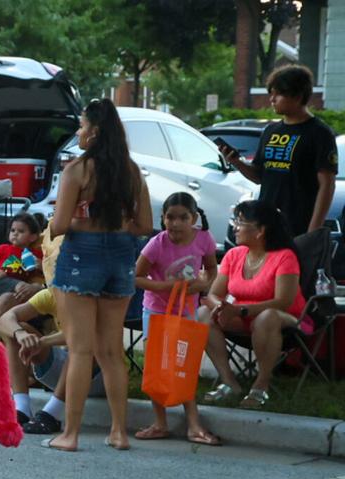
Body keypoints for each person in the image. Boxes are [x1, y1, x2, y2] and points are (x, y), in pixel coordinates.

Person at [45, 98, 151, 452]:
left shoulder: (77, 170)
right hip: (121, 255)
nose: (78, 131)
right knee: (110, 352)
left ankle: (70, 434)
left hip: (81, 256)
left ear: (94, 131)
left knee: (79, 350)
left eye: (81, 125)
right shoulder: (131, 171)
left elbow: (59, 226)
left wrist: (80, 218)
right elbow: (145, 225)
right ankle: (119, 432)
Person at [198, 199, 307, 409]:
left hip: (285, 319)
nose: (234, 227)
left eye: (240, 222)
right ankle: (229, 382)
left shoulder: (285, 257)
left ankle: (261, 385)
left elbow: (283, 301)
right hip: (243, 318)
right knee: (203, 313)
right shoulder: (234, 255)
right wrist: (220, 307)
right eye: (234, 221)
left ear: (260, 230)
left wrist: (240, 309)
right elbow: (214, 294)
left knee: (267, 317)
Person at [133, 192, 220, 444]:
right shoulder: (157, 244)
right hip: (157, 311)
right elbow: (136, 277)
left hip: (186, 311)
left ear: (193, 218)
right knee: (157, 367)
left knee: (185, 365)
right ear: (163, 218)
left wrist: (202, 283)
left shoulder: (204, 239)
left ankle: (193, 424)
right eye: (170, 217)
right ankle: (160, 422)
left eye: (183, 217)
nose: (176, 223)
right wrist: (165, 287)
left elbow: (212, 268)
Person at [216, 65, 337, 237]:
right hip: (266, 225)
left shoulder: (319, 133)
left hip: (299, 226)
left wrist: (313, 230)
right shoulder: (270, 131)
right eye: (270, 93)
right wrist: (236, 162)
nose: (272, 99)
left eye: (278, 94)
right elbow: (259, 176)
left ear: (297, 95)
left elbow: (327, 184)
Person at [0, 286, 105, 435]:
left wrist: (43, 342)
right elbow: (4, 320)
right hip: (65, 369)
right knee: (15, 329)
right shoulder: (51, 293)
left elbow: (85, 333)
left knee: (85, 343)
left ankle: (52, 413)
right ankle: (21, 407)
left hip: (98, 376)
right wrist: (20, 334)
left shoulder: (92, 294)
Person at [0, 211, 45, 328]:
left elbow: (46, 272)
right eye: (13, 230)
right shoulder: (4, 248)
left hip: (11, 293)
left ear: (33, 237)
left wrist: (41, 265)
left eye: (21, 231)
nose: (15, 234)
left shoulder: (34, 254)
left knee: (9, 296)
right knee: (17, 285)